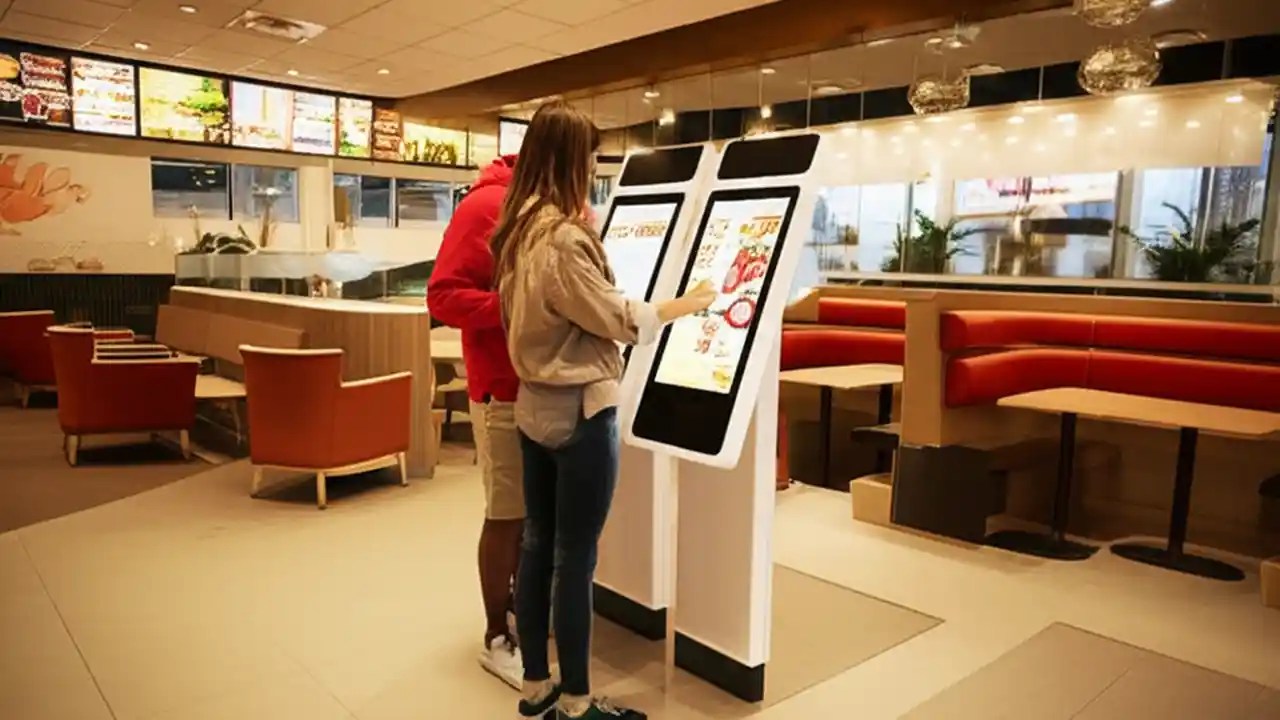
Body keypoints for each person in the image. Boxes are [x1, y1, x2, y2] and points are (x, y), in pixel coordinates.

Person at [492, 100, 716, 720]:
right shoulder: (564, 239)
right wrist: (686, 303)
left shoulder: (517, 231)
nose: (593, 168)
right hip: (580, 413)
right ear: (570, 159)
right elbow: (621, 319)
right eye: (590, 157)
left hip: (532, 407)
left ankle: (536, 685)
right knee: (574, 558)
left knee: (536, 547)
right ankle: (579, 701)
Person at [426, 153, 526, 689]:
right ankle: (496, 634)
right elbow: (441, 296)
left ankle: (521, 615)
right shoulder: (485, 205)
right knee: (508, 514)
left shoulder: (561, 206)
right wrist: (511, 307)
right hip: (502, 388)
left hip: (554, 390)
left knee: (537, 520)